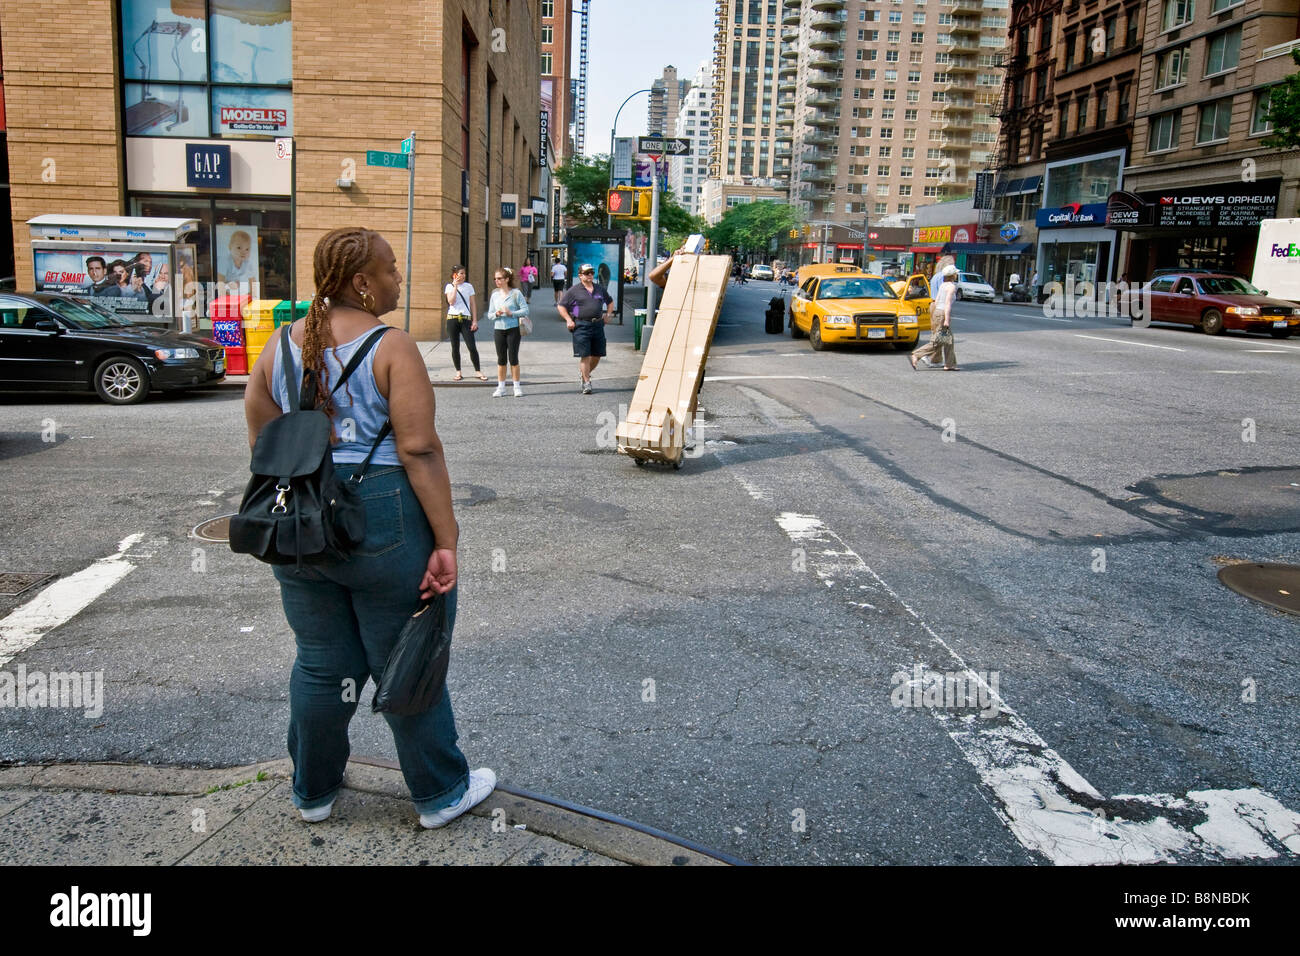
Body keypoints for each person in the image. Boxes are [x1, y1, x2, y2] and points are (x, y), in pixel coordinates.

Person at [241, 227, 494, 829]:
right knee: (405, 655)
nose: (397, 280)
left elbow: (263, 445)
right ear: (361, 281)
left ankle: (314, 792)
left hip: (301, 518)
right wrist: (447, 539)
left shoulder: (278, 347)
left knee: (322, 663)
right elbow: (420, 450)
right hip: (382, 512)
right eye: (390, 269)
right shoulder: (391, 346)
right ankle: (439, 794)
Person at [558, 262, 614, 394]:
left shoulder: (599, 288)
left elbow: (610, 302)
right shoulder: (574, 290)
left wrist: (608, 314)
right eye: (587, 273)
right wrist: (568, 319)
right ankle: (587, 382)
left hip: (598, 325)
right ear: (580, 275)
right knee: (585, 355)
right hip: (581, 325)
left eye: (592, 273)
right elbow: (561, 306)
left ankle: (585, 373)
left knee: (597, 355)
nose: (590, 275)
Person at [487, 267, 529, 397]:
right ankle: (501, 387)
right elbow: (489, 315)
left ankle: (516, 386)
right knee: (501, 359)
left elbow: (525, 310)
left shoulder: (516, 293)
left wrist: (512, 313)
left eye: (499, 278)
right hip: (499, 329)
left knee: (513, 358)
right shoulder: (494, 295)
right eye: (495, 278)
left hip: (513, 328)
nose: (497, 281)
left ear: (507, 279)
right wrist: (497, 314)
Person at [911, 264, 959, 371]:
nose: (956, 275)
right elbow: (947, 304)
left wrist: (938, 314)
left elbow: (937, 301)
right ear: (952, 275)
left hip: (938, 311)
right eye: (955, 273)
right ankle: (917, 355)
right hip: (942, 313)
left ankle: (949, 364)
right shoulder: (951, 287)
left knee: (948, 340)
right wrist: (946, 319)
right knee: (938, 340)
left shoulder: (943, 285)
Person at [443, 265, 485, 381]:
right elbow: (451, 301)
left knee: (471, 346)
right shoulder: (449, 287)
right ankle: (458, 372)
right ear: (454, 275)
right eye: (461, 273)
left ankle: (478, 371)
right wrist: (455, 286)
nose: (463, 275)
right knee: (455, 346)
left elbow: (473, 304)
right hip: (452, 319)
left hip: (466, 319)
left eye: (464, 273)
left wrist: (475, 320)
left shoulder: (469, 286)